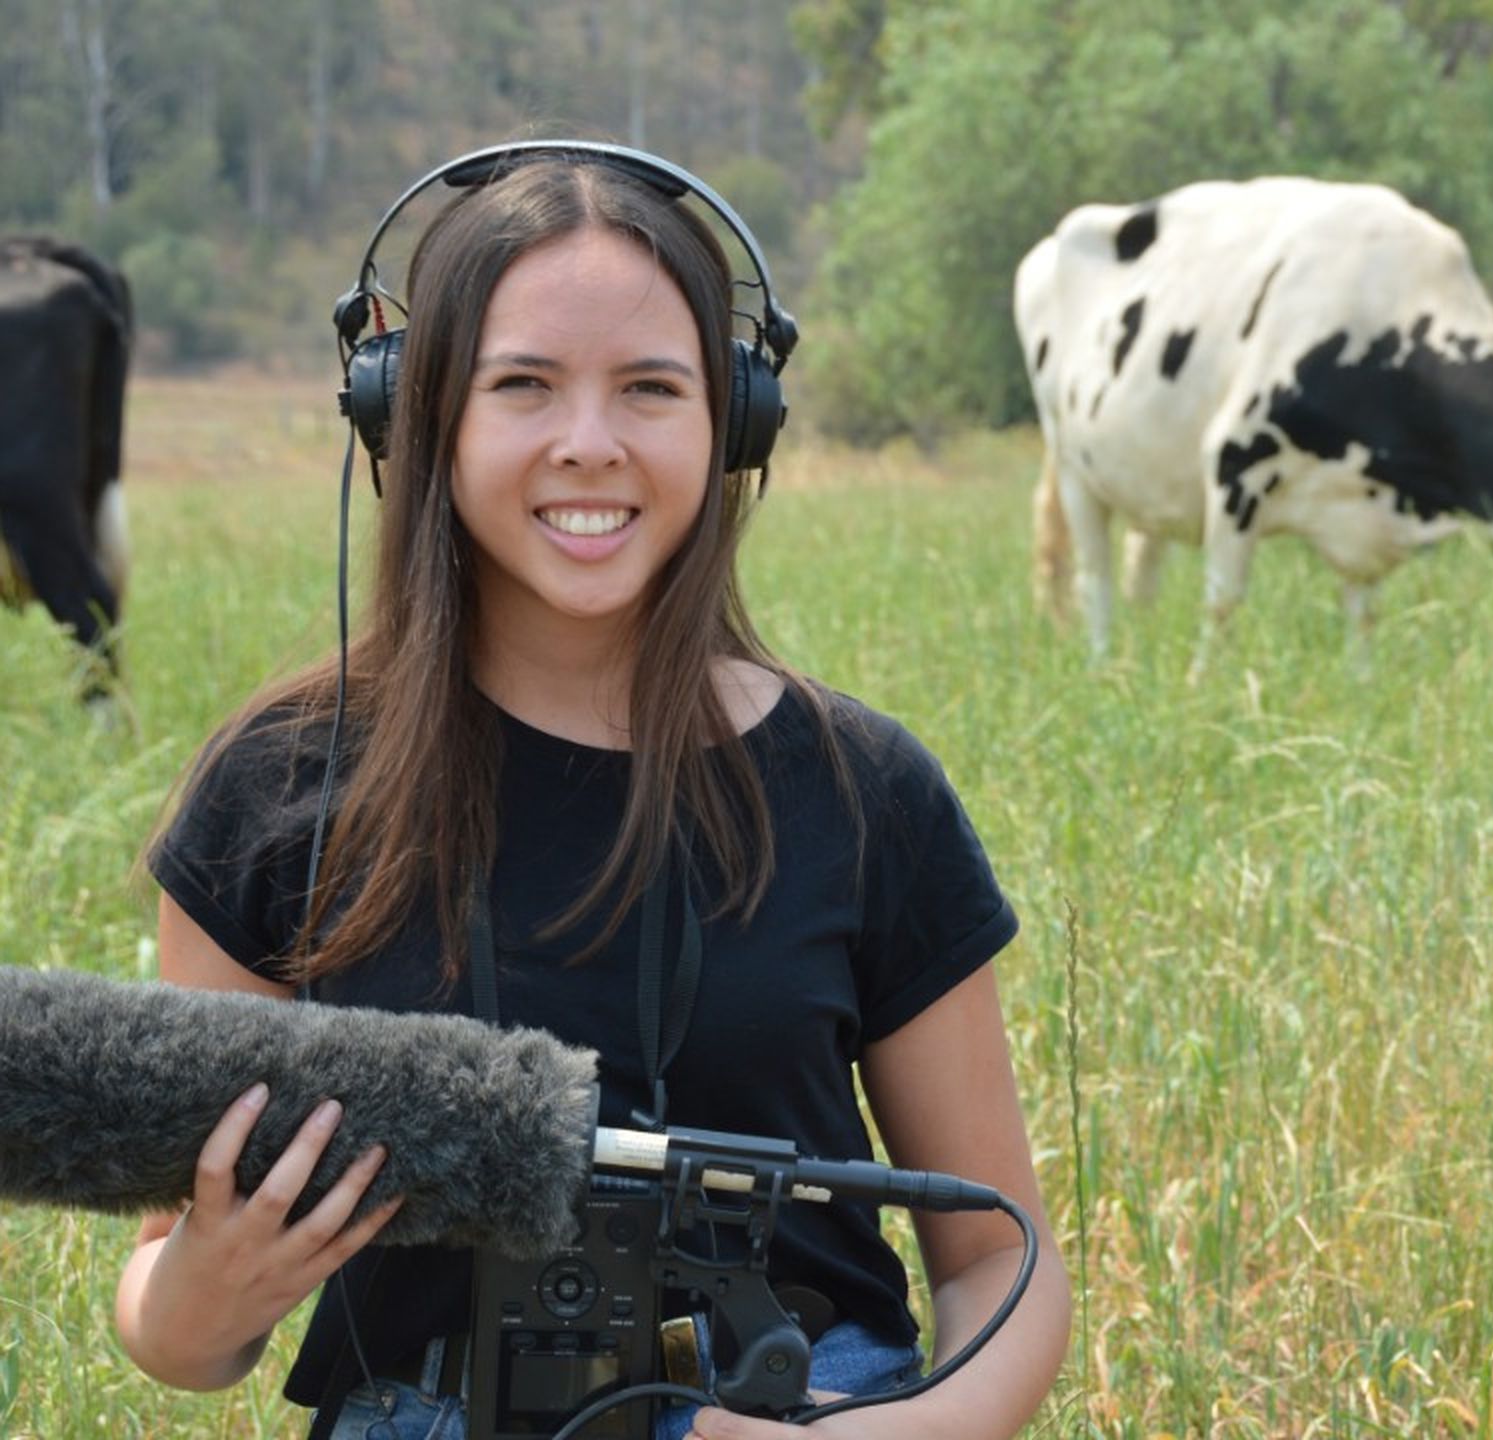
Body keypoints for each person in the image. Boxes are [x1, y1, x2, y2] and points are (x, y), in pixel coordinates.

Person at [115, 145, 1070, 1440]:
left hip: (803, 1402)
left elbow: (999, 1257)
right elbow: (175, 1320)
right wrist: (199, 1296)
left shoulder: (865, 792)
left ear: (733, 422)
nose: (589, 444)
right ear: (415, 414)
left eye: (650, 388)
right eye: (523, 385)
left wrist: (887, 1438)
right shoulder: (275, 790)